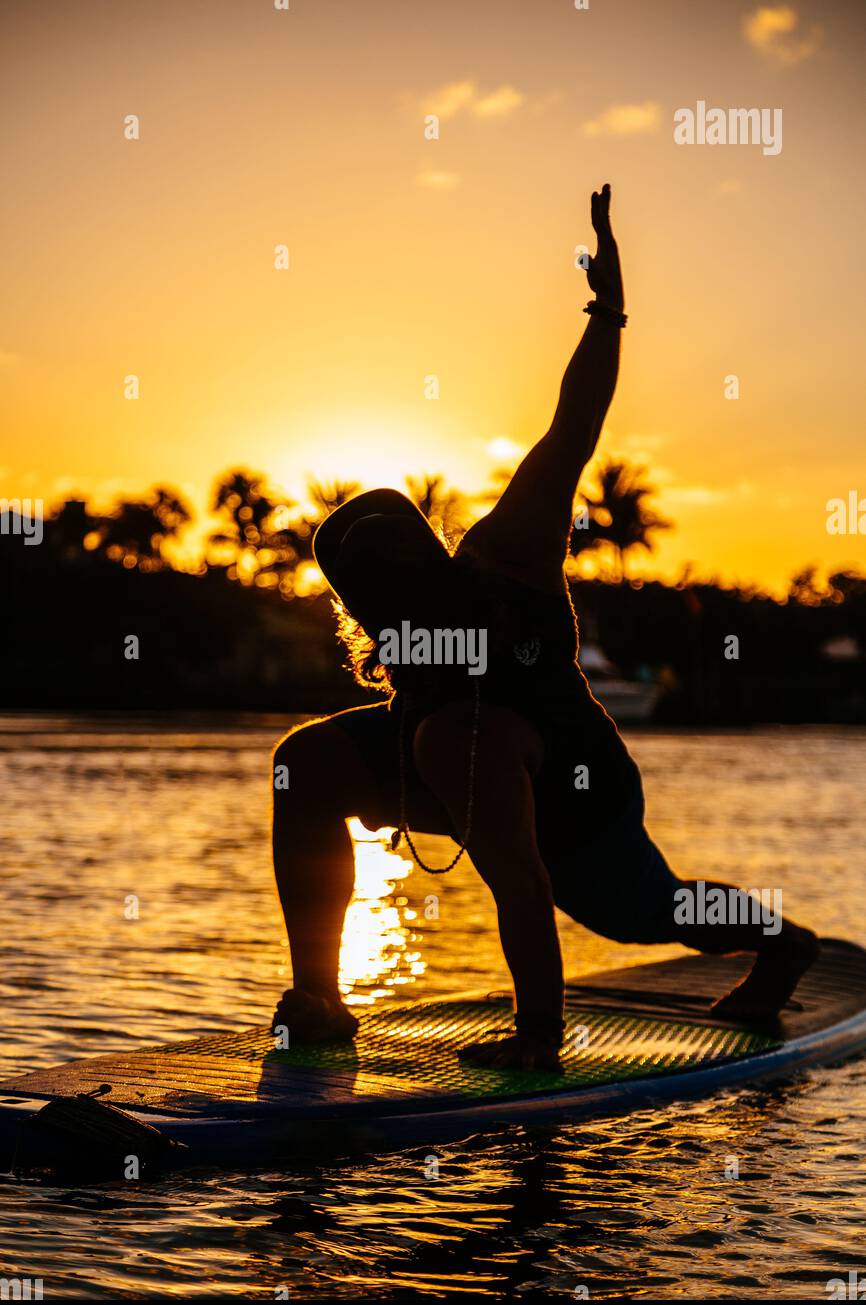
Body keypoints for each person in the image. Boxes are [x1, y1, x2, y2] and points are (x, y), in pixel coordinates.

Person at [271, 185, 818, 1070]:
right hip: (442, 753)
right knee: (305, 764)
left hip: (580, 802)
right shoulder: (429, 660)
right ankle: (320, 999)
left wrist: (608, 308)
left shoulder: (507, 555)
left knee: (650, 911)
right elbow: (572, 427)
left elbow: (576, 424)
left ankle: (783, 943)